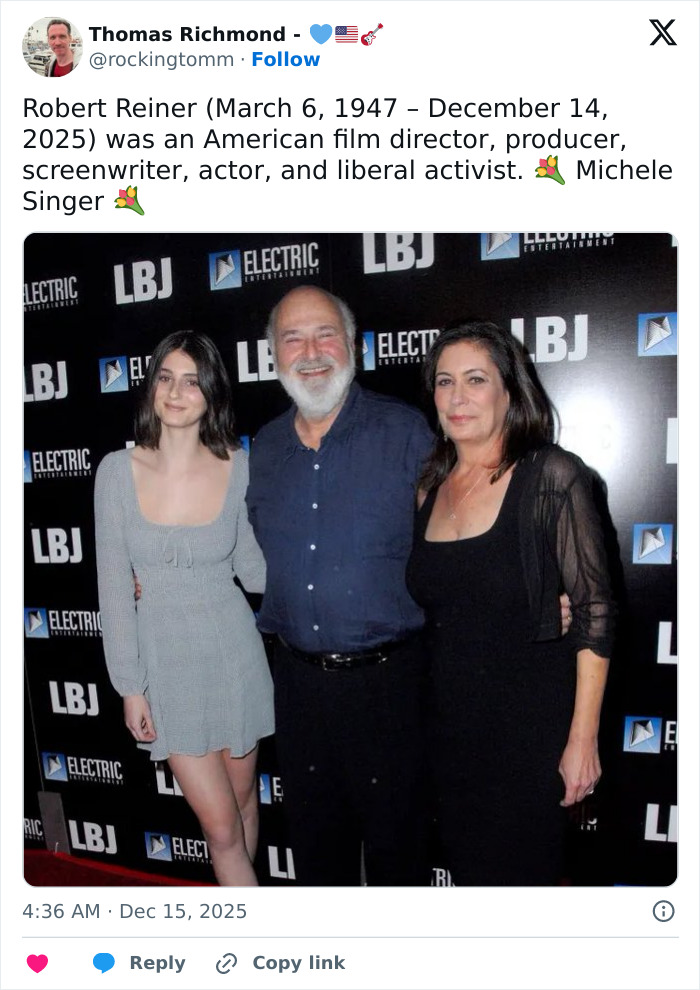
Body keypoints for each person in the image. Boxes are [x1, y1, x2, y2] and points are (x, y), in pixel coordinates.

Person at [406, 320, 614, 885]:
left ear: (509, 390)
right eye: (444, 382)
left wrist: (582, 741)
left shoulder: (551, 476)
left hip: (528, 732)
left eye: (476, 379)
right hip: (449, 728)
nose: (457, 397)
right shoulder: (433, 485)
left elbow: (596, 615)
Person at [246, 285, 436, 885]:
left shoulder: (408, 434)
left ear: (352, 345)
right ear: (272, 353)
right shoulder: (266, 448)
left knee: (396, 860)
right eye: (292, 338)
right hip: (298, 689)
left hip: (391, 690)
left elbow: (464, 544)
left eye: (325, 334)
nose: (311, 351)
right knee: (316, 859)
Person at [94, 331, 274, 886]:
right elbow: (113, 590)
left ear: (210, 393)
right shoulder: (116, 474)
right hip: (167, 667)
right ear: (151, 388)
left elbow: (255, 571)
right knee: (221, 830)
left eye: (192, 380)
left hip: (236, 657)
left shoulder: (237, 466)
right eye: (165, 378)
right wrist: (129, 685)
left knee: (244, 808)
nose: (176, 392)